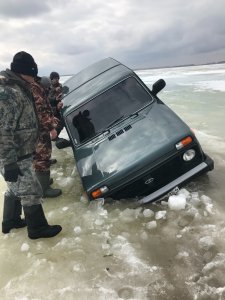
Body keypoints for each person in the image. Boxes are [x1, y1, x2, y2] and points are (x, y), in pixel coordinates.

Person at [0, 51, 62, 239]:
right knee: (31, 191)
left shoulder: (18, 87)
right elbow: (3, 130)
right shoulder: (8, 93)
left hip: (20, 152)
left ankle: (10, 221)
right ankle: (37, 229)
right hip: (15, 156)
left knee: (14, 189)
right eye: (31, 74)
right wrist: (9, 162)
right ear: (23, 71)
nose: (33, 79)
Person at [31, 76, 62, 198]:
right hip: (39, 130)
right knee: (42, 158)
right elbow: (41, 112)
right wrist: (51, 127)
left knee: (41, 157)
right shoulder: (36, 89)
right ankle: (44, 190)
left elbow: (45, 109)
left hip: (37, 129)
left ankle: (41, 182)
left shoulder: (35, 88)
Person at [49, 71, 71, 149]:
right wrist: (56, 105)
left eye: (58, 78)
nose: (57, 80)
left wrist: (64, 90)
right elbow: (46, 106)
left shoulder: (60, 87)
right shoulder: (48, 89)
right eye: (55, 78)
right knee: (54, 134)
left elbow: (67, 93)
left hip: (63, 111)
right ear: (51, 79)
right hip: (54, 114)